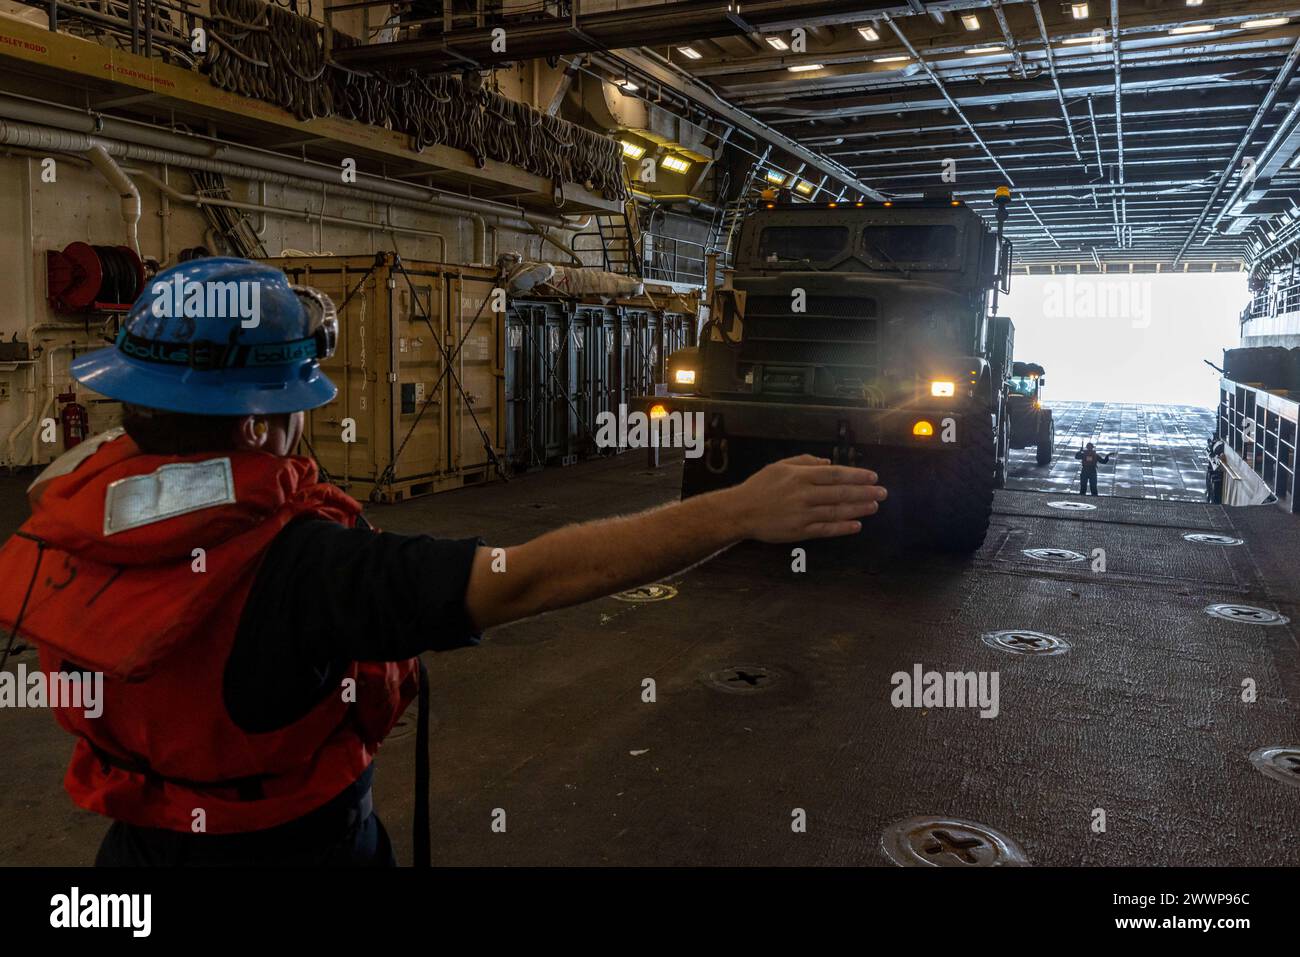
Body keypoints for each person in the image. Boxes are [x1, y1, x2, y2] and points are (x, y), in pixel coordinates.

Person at [0, 258, 887, 867]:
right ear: (258, 424)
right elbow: (533, 574)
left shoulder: (67, 516)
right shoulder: (311, 568)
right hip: (294, 844)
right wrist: (737, 508)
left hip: (133, 846)